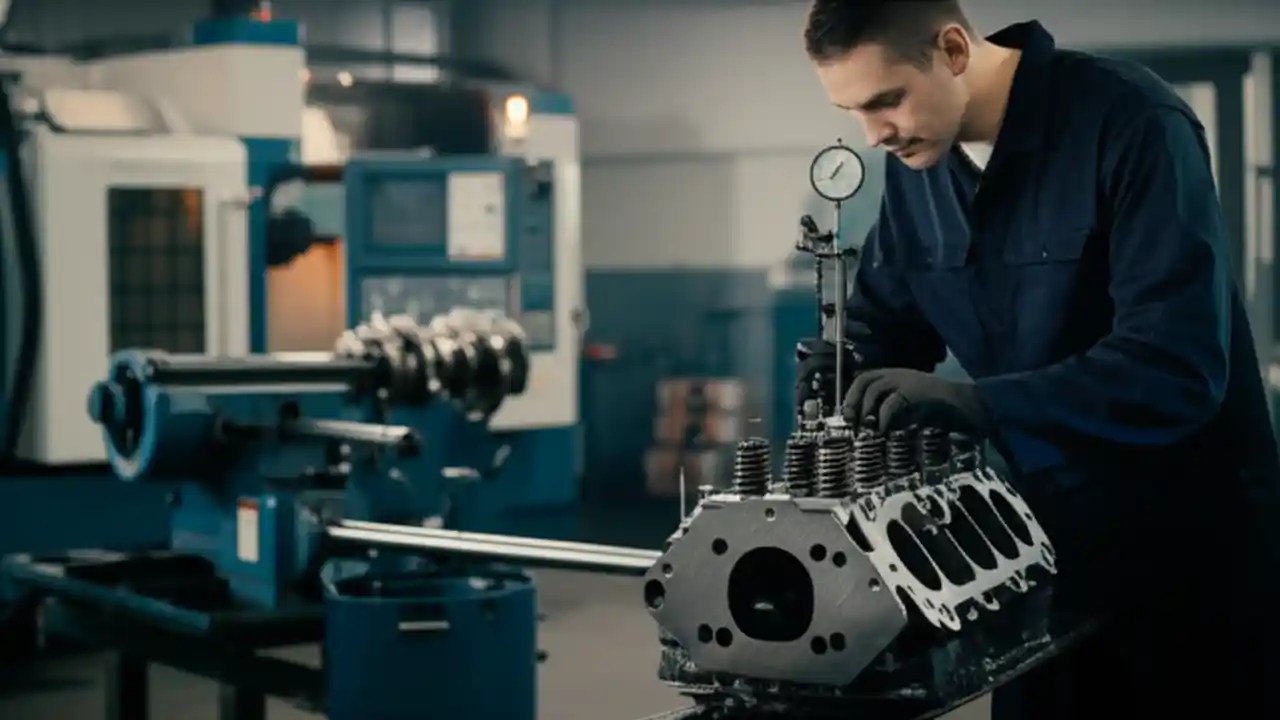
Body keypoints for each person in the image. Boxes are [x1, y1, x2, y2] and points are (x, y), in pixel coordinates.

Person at [796, 1, 1280, 717]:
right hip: (1039, 552)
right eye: (854, 112)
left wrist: (981, 402)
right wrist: (845, 365)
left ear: (954, 49)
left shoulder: (1132, 122)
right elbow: (888, 320)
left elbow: (1176, 367)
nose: (874, 136)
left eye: (885, 101)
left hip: (1189, 562)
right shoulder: (918, 163)